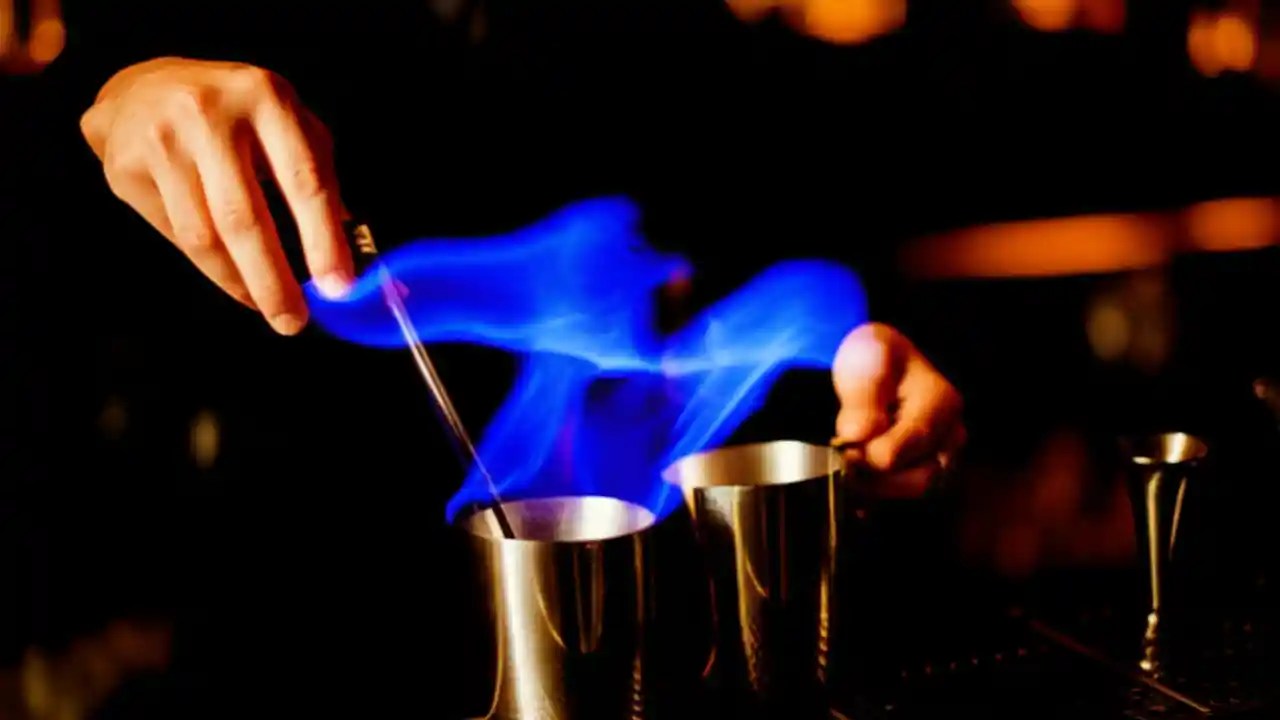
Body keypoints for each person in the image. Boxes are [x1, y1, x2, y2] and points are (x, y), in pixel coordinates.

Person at [78, 54, 964, 495]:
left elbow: (748, 199)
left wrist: (842, 352)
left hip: (669, 610)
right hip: (248, 572)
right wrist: (117, 92)